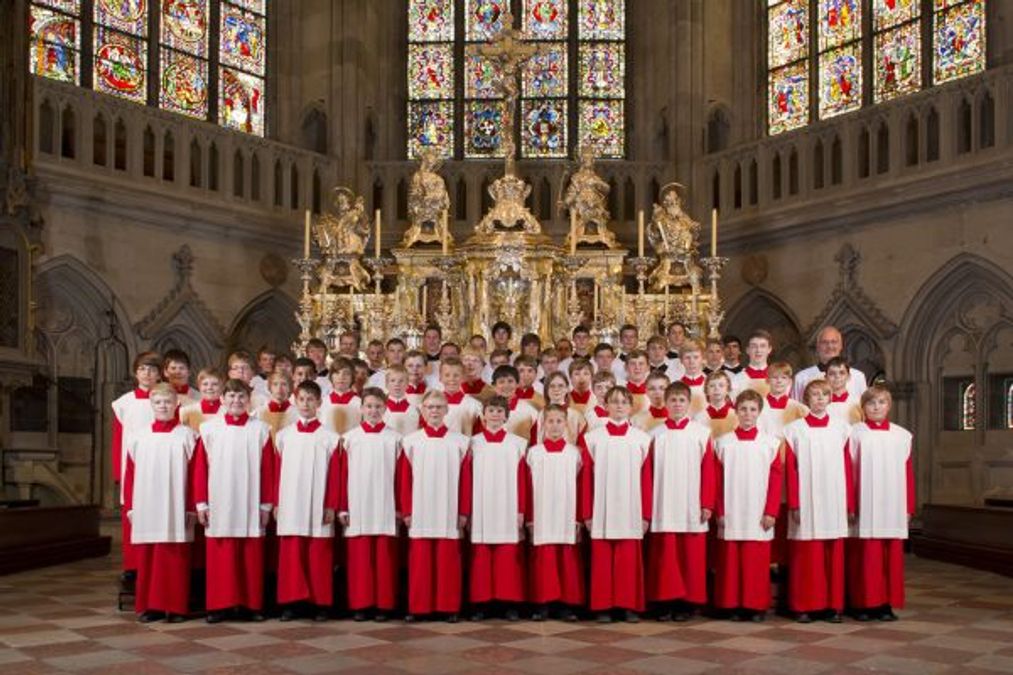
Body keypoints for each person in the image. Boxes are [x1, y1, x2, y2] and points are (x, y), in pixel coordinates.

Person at [193, 379, 275, 623]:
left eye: (241, 397)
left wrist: (266, 505)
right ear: (223, 399)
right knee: (221, 555)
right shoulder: (209, 429)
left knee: (250, 555)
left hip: (251, 500)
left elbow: (268, 469)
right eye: (231, 396)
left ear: (249, 400)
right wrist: (201, 503)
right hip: (219, 500)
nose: (236, 401)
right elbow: (199, 470)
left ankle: (251, 605)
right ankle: (219, 605)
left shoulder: (261, 429)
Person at [123, 383, 198, 623]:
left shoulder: (188, 436)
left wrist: (191, 507)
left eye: (167, 402)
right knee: (148, 555)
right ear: (151, 405)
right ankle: (150, 606)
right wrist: (131, 506)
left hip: (176, 503)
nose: (163, 406)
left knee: (174, 556)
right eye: (158, 402)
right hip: (146, 503)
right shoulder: (138, 437)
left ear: (176, 404)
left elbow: (195, 474)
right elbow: (130, 474)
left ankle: (175, 607)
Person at [397, 390, 472, 622]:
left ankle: (448, 607)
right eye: (430, 407)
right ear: (422, 410)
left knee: (447, 560)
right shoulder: (410, 441)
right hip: (420, 508)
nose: (435, 411)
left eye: (439, 407)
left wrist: (463, 511)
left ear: (447, 410)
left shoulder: (460, 441)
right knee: (420, 561)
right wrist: (407, 510)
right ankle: (419, 607)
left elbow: (466, 480)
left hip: (448, 508)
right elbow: (404, 480)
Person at [783, 379, 854, 624]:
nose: (820, 399)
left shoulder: (842, 428)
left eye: (824, 394)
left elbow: (847, 467)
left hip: (834, 498)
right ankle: (803, 605)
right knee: (806, 555)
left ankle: (832, 606)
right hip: (806, 499)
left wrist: (849, 503)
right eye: (814, 395)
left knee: (831, 554)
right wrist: (794, 503)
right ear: (806, 399)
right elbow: (790, 470)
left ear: (830, 398)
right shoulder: (793, 430)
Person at [580, 386, 653, 623]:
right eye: (614, 402)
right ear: (606, 406)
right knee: (602, 558)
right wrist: (587, 513)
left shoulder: (642, 439)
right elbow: (587, 479)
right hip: (602, 507)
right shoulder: (593, 438)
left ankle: (628, 604)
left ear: (631, 406)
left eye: (624, 402)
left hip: (632, 507)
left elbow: (647, 479)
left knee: (628, 558)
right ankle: (603, 605)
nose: (619, 406)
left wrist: (646, 514)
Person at [273, 380, 342, 621]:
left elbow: (335, 475)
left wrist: (331, 504)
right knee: (292, 552)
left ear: (319, 403)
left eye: (310, 399)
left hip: (319, 503)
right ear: (295, 401)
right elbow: (276, 472)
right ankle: (292, 603)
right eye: (301, 399)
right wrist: (276, 503)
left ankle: (320, 602)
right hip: (290, 502)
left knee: (318, 552)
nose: (305, 404)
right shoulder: (283, 436)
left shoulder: (330, 438)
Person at [647, 381, 715, 621]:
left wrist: (707, 502)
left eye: (681, 400)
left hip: (691, 502)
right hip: (662, 501)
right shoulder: (654, 435)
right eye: (672, 400)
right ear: (665, 403)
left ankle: (688, 602)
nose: (677, 405)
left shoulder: (702, 433)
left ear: (689, 404)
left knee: (690, 554)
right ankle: (665, 600)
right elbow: (648, 472)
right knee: (666, 554)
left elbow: (708, 470)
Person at [713, 390, 782, 622]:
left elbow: (775, 481)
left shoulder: (770, 443)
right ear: (736, 411)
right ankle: (732, 604)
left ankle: (755, 605)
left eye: (752, 409)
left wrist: (771, 511)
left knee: (756, 560)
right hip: (732, 510)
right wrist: (720, 511)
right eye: (743, 409)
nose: (748, 414)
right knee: (731, 560)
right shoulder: (723, 443)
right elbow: (717, 481)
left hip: (758, 511)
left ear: (759, 412)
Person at [847, 385, 914, 622]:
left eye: (881, 402)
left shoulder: (902, 435)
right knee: (865, 556)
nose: (877, 407)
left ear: (889, 406)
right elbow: (847, 472)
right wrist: (851, 505)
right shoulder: (854, 433)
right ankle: (863, 603)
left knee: (891, 556)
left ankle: (886, 603)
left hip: (892, 505)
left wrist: (908, 507)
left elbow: (907, 474)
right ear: (863, 407)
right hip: (864, 502)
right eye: (871, 403)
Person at [338, 387, 403, 622]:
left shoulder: (396, 438)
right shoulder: (349, 438)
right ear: (361, 408)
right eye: (369, 406)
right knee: (360, 557)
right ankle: (360, 604)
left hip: (386, 503)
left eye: (378, 406)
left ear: (385, 409)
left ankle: (384, 604)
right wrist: (343, 506)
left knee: (385, 556)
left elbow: (400, 477)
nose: (373, 411)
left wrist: (399, 508)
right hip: (358, 503)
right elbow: (342, 475)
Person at [468, 396, 530, 621]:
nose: (495, 415)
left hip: (508, 505)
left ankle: (508, 603)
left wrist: (521, 509)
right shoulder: (473, 443)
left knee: (507, 557)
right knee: (482, 556)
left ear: (506, 416)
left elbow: (523, 480)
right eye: (490, 410)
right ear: (483, 415)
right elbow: (467, 478)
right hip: (481, 504)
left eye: (499, 411)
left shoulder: (518, 444)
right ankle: (481, 604)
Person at [526, 404, 584, 621]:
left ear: (566, 425)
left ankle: (566, 604)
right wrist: (530, 519)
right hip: (542, 513)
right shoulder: (534, 453)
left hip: (567, 512)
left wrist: (578, 517)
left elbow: (580, 486)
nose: (554, 426)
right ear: (543, 425)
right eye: (550, 421)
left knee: (566, 558)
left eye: (559, 421)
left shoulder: (575, 454)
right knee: (544, 558)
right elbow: (527, 487)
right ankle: (543, 603)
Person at [112, 351, 162, 583]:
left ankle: (156, 564)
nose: (147, 373)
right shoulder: (124, 404)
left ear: (159, 374)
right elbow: (117, 440)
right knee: (132, 518)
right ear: (135, 372)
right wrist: (118, 473)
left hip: (161, 468)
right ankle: (132, 566)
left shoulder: (166, 399)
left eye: (152, 369)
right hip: (132, 467)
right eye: (143, 369)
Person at [792, 326, 868, 402]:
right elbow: (795, 410)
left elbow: (864, 408)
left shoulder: (858, 377)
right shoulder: (801, 378)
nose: (830, 346)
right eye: (824, 342)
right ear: (817, 346)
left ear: (841, 346)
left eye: (834, 342)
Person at [530, 372, 586, 444]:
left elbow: (582, 446)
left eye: (560, 386)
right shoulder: (539, 415)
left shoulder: (576, 416)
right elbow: (534, 445)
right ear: (546, 390)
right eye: (552, 386)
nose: (556, 389)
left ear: (567, 389)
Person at [491, 365, 538, 441]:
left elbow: (536, 440)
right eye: (501, 382)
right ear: (494, 386)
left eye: (510, 381)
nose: (506, 386)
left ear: (517, 384)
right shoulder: (485, 410)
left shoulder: (529, 411)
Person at [439, 357, 483, 436]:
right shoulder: (431, 404)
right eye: (447, 375)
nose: (451, 379)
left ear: (463, 377)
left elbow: (479, 436)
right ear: (440, 378)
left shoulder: (475, 406)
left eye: (456, 375)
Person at [254, 371, 298, 443]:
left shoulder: (296, 413)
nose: (279, 388)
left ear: (290, 387)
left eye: (284, 384)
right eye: (275, 384)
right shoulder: (259, 412)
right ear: (269, 387)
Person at [320, 358, 362, 434]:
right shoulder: (322, 402)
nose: (341, 377)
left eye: (346, 373)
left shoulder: (359, 403)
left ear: (352, 377)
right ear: (331, 376)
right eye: (337, 373)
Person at [179, 367, 225, 433]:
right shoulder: (185, 411)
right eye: (205, 384)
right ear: (199, 386)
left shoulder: (228, 412)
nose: (209, 388)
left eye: (215, 384)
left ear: (222, 387)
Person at [694, 370, 738, 438]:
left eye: (721, 385)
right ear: (706, 390)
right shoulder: (699, 418)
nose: (716, 389)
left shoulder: (736, 416)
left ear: (728, 390)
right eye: (712, 386)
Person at [731, 331, 773, 397]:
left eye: (762, 346)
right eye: (754, 346)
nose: (758, 350)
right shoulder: (737, 379)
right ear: (747, 350)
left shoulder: (779, 379)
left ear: (769, 349)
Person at [382, 365, 421, 435]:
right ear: (386, 384)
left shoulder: (415, 410)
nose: (397, 384)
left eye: (401, 381)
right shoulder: (381, 409)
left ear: (407, 384)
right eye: (392, 380)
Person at [826, 357, 864, 426]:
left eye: (842, 373)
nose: (837, 376)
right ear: (825, 377)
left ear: (848, 377)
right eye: (832, 373)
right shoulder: (820, 404)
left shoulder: (857, 403)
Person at [677, 340, 708, 415]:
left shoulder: (710, 384)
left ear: (702, 359)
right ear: (681, 360)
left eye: (696, 357)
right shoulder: (676, 387)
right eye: (687, 358)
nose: (691, 362)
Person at [624, 349, 651, 414]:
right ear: (626, 367)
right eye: (633, 364)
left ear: (648, 367)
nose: (637, 367)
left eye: (641, 364)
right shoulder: (618, 391)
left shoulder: (656, 391)